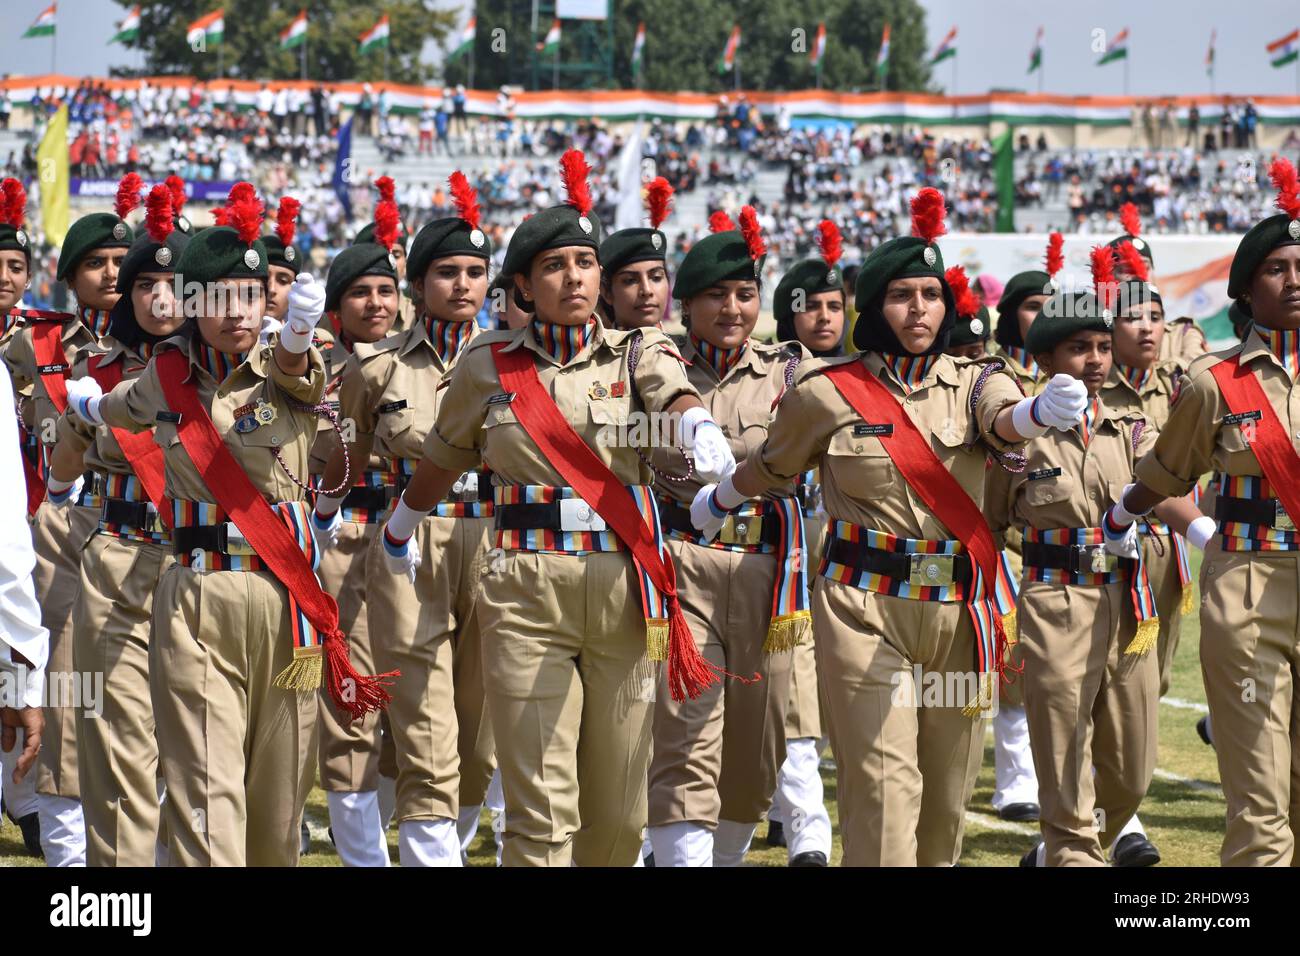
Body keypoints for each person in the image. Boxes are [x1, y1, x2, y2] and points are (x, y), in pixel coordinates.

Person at [689, 188, 1085, 865]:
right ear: (875, 308)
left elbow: (1003, 417)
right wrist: (720, 498)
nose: (921, 308)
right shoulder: (827, 390)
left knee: (944, 804)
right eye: (903, 295)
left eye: (932, 294)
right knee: (881, 789)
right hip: (863, 607)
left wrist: (1038, 413)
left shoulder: (975, 379)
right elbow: (774, 466)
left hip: (957, 613)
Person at [383, 149, 736, 866]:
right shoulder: (487, 364)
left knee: (616, 816)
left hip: (623, 589)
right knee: (542, 807)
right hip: (523, 588)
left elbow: (672, 393)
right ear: (522, 286)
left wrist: (697, 424)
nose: (573, 276)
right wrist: (400, 528)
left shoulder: (639, 351)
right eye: (553, 265)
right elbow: (445, 456)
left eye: (584, 262)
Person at [66, 184, 390, 866]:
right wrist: (86, 409)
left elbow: (303, 376)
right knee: (204, 800)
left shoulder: (286, 363)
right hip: (196, 596)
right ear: (190, 305)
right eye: (216, 297)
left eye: (248, 294)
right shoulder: (167, 373)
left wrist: (298, 334)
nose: (235, 311)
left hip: (288, 603)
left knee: (277, 807)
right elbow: (121, 407)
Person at [1104, 158, 1300, 866]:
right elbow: (1166, 469)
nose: (1295, 278)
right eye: (1277, 267)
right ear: (1247, 286)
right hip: (1248, 584)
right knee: (1259, 789)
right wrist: (1122, 516)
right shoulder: (1215, 382)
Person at [991, 248, 1203, 867]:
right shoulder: (1018, 435)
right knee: (1062, 745)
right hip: (1055, 597)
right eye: (1080, 349)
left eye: (1102, 349)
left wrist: (1206, 533)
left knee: (1133, 764)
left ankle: (1066, 841)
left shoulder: (1131, 424)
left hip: (1129, 598)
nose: (1095, 361)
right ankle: (1069, 849)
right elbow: (990, 516)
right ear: (1046, 359)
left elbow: (1160, 490)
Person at [314, 172, 496, 867]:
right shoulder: (378, 368)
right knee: (415, 715)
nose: (461, 285)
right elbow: (343, 464)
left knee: (481, 729)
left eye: (475, 272)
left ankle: (450, 836)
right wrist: (323, 529)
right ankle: (405, 854)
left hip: (498, 547)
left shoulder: (513, 362)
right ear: (420, 285)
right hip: (403, 547)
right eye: (445, 272)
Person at [643, 208, 808, 868]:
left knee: (759, 746)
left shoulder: (792, 373)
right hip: (683, 565)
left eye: (745, 294)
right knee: (685, 733)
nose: (733, 308)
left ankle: (725, 856)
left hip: (771, 574)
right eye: (716, 295)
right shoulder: (655, 372)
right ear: (686, 304)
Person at [45, 184, 190, 866]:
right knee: (121, 742)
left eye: (175, 284)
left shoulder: (227, 373)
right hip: (118, 559)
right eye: (145, 284)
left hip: (203, 567)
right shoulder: (92, 371)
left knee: (196, 746)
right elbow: (64, 470)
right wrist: (82, 417)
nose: (160, 299)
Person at [1, 177, 138, 866]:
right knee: (52, 682)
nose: (112, 273)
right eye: (96, 262)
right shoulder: (33, 342)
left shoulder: (167, 343)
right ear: (71, 276)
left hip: (143, 530)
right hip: (55, 530)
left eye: (122, 260)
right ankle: (48, 820)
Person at [759, 219, 849, 866]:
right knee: (783, 685)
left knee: (813, 688)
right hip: (777, 545)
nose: (823, 316)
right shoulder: (770, 374)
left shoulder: (862, 375)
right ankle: (800, 821)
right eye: (809, 305)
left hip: (839, 555)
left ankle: (795, 814)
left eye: (834, 305)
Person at [1108, 202, 1208, 366]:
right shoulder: (1092, 337)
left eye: (1143, 267)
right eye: (1126, 269)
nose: (1137, 277)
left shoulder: (1182, 334)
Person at [597, 177, 674, 331]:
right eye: (630, 280)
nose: (647, 290)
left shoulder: (683, 354)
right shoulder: (588, 355)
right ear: (606, 292)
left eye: (656, 278)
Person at [354, 178, 414, 331]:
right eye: (380, 253)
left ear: (406, 264)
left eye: (396, 254)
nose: (389, 261)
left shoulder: (420, 316)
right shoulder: (340, 315)